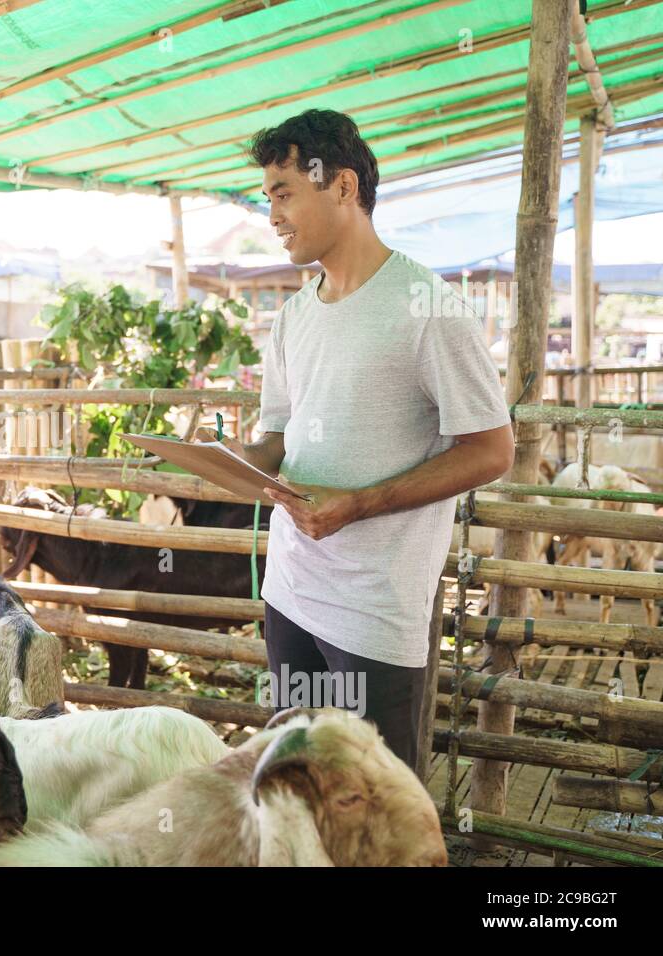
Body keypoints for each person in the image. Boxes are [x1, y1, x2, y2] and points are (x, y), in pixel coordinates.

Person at [199, 109, 514, 769]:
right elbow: (276, 446)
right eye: (268, 199)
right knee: (295, 779)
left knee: (373, 803)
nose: (273, 214)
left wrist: (360, 503)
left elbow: (491, 450)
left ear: (342, 187)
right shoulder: (292, 317)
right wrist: (222, 466)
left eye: (284, 193)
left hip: (375, 608)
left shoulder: (426, 308)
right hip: (290, 588)